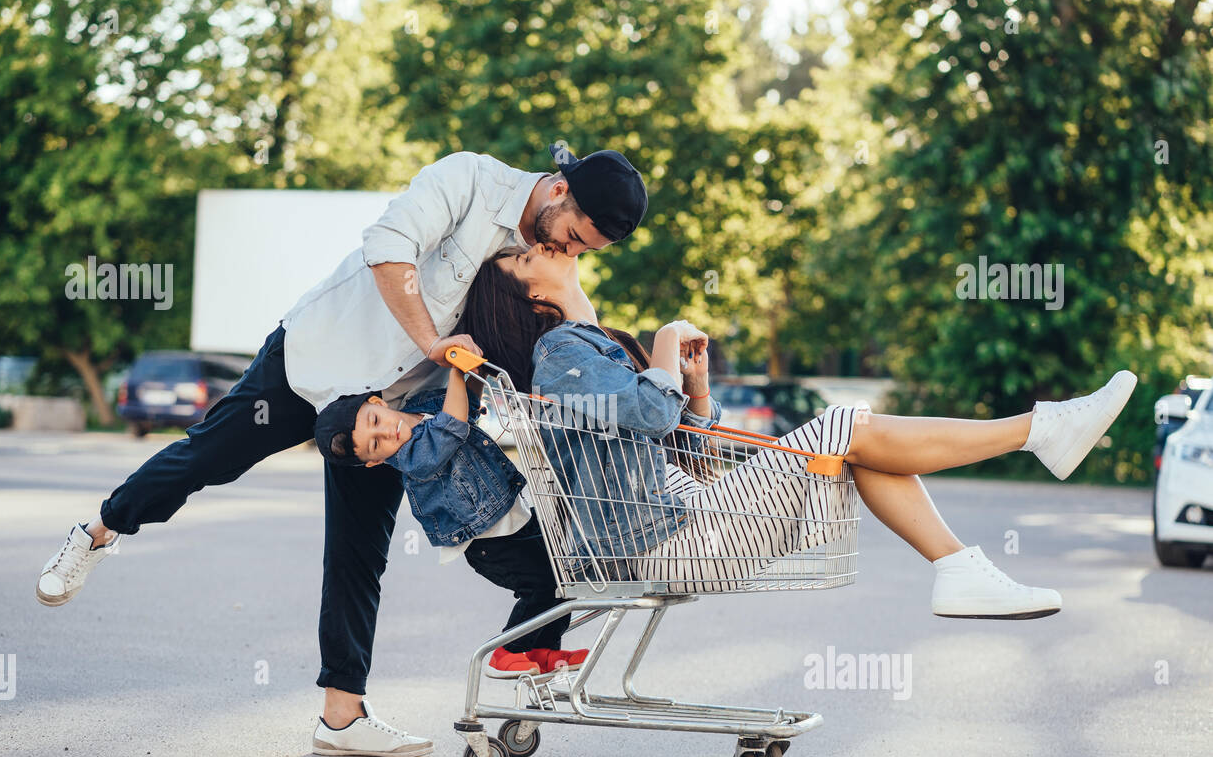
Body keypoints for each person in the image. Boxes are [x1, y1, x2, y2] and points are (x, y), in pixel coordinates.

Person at [32, 144, 647, 757]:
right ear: (560, 191)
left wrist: (571, 297)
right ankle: (99, 530)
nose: (570, 251)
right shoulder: (471, 180)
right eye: (574, 237)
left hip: (390, 413)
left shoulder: (548, 247)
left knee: (359, 550)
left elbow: (579, 336)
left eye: (584, 251)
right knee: (206, 457)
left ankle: (341, 716)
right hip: (319, 363)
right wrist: (432, 342)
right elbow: (388, 248)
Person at [456, 246, 1138, 615]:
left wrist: (697, 395)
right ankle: (1040, 430)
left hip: (694, 522)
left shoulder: (591, 350)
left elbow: (678, 452)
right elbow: (647, 415)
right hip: (670, 544)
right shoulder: (561, 355)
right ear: (532, 295)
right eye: (524, 257)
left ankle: (960, 567)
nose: (541, 249)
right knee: (844, 424)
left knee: (858, 440)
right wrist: (665, 344)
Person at [310, 366, 588, 698]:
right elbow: (453, 426)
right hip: (489, 543)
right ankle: (507, 652)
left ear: (377, 403)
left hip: (512, 520)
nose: (385, 435)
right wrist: (457, 366)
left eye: (375, 422)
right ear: (374, 463)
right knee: (543, 584)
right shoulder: (414, 458)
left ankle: (540, 650)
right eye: (375, 446)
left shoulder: (424, 403)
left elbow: (466, 403)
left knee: (562, 579)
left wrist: (475, 369)